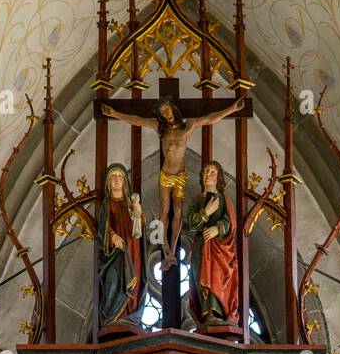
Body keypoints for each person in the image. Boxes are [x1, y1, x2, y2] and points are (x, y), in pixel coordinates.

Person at [102, 94, 244, 267]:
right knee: (164, 211)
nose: (166, 113)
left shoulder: (188, 126)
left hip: (180, 177)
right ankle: (165, 249)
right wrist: (115, 114)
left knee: (178, 212)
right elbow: (137, 120)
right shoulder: (160, 129)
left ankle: (172, 251)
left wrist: (232, 109)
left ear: (173, 108)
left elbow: (208, 119)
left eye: (167, 108)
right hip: (165, 175)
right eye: (162, 111)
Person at [187, 160, 239, 326]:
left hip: (219, 249)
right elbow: (191, 222)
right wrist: (206, 212)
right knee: (201, 278)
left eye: (212, 172)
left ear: (219, 178)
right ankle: (207, 314)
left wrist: (217, 229)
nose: (208, 175)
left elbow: (230, 222)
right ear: (201, 177)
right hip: (201, 248)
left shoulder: (224, 200)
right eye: (206, 172)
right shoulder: (196, 199)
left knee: (217, 277)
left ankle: (218, 312)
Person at [97, 163, 147, 329]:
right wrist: (112, 236)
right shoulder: (107, 204)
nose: (117, 180)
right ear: (108, 182)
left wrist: (138, 214)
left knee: (135, 280)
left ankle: (131, 316)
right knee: (113, 280)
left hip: (133, 251)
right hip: (115, 254)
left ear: (125, 181)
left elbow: (140, 230)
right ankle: (113, 316)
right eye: (113, 177)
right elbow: (103, 227)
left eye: (120, 177)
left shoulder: (131, 203)